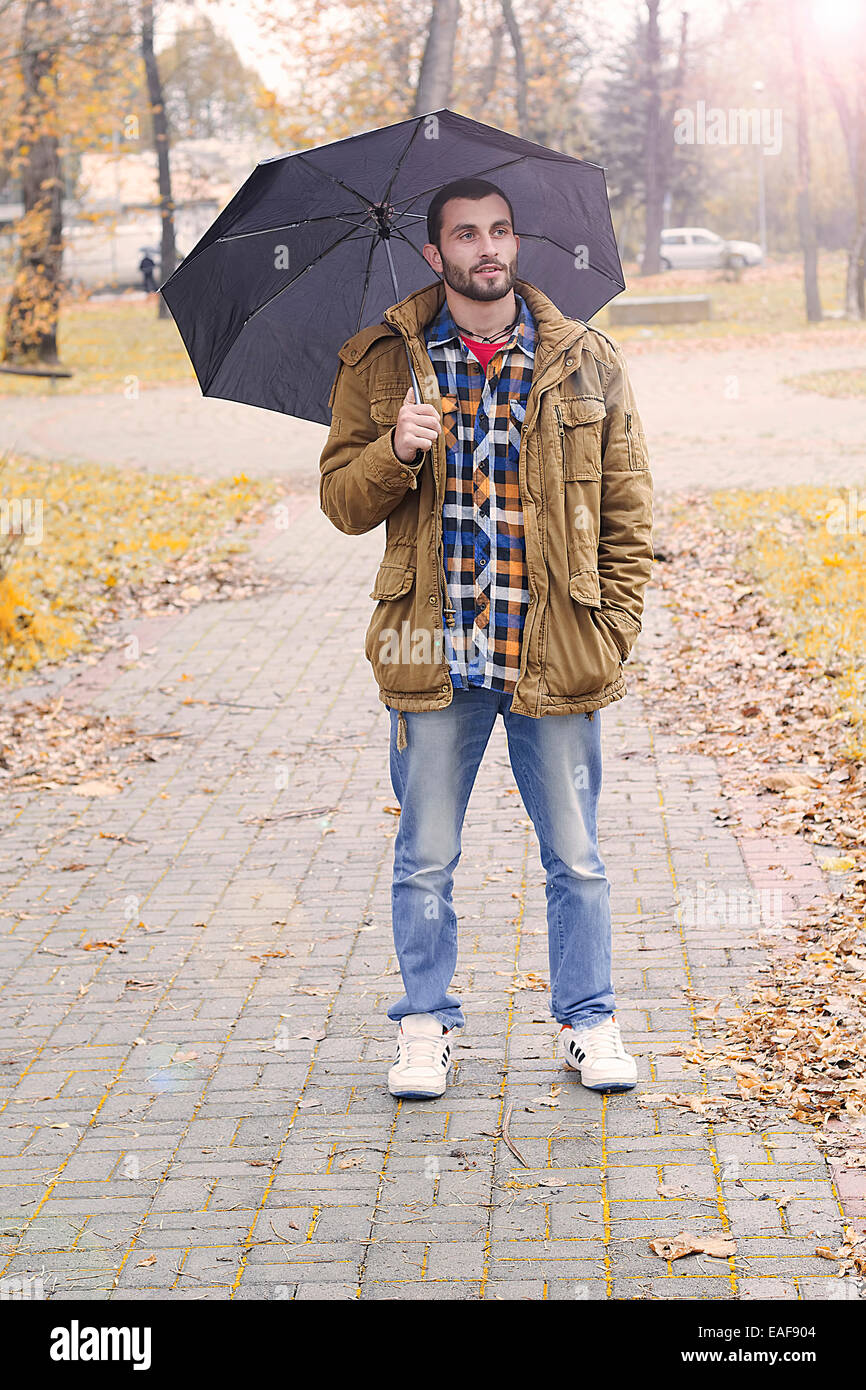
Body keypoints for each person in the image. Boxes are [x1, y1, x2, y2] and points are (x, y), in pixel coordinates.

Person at [319, 177, 653, 1100]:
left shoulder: (585, 360)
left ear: (518, 242)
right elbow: (341, 503)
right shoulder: (381, 363)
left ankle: (590, 1022)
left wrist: (614, 623)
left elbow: (628, 503)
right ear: (436, 254)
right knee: (425, 855)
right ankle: (424, 1026)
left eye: (500, 230)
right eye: (465, 234)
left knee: (576, 855)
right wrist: (395, 451)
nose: (487, 246)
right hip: (435, 651)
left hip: (550, 644)